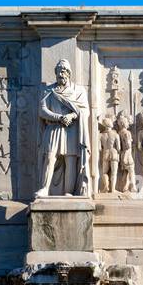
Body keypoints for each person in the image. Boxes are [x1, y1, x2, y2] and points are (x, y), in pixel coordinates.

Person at [34, 59, 89, 197]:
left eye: (64, 72)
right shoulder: (48, 90)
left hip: (71, 130)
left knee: (70, 160)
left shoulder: (78, 90)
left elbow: (84, 110)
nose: (61, 75)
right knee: (50, 157)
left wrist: (71, 116)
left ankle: (69, 192)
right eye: (59, 72)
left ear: (69, 74)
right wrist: (58, 117)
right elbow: (42, 110)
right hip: (53, 128)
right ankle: (45, 188)